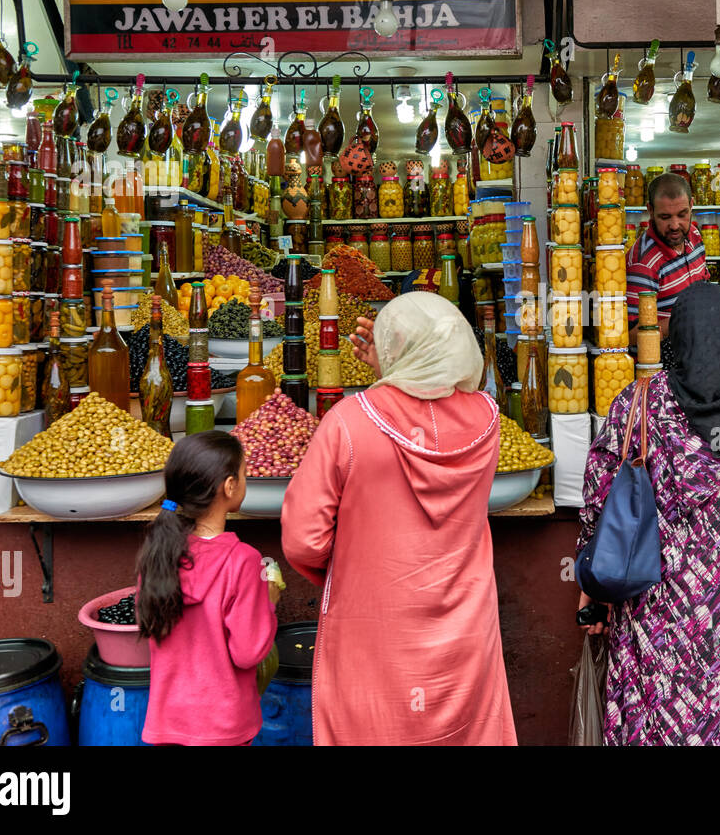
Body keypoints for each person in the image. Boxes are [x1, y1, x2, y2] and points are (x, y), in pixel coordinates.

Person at [282, 291, 517, 745]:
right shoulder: (487, 422)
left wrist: (350, 568)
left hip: (375, 632)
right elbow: (426, 408)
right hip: (465, 631)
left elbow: (303, 540)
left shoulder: (348, 423)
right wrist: (392, 371)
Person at [578, 281, 720, 745]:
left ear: (674, 338)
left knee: (651, 714)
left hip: (647, 595)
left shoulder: (636, 404)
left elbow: (598, 502)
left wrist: (589, 585)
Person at [137, 431, 280, 746]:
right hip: (223, 727)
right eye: (244, 475)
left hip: (168, 721)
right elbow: (248, 653)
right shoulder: (243, 560)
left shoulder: (158, 553)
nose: (245, 481)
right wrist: (268, 604)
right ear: (230, 487)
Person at [625, 171, 708, 340]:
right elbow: (631, 336)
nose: (675, 225)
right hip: (666, 361)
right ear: (650, 210)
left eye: (682, 214)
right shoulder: (643, 264)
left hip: (699, 349)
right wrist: (683, 320)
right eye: (665, 217)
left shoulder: (694, 235)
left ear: (692, 205)